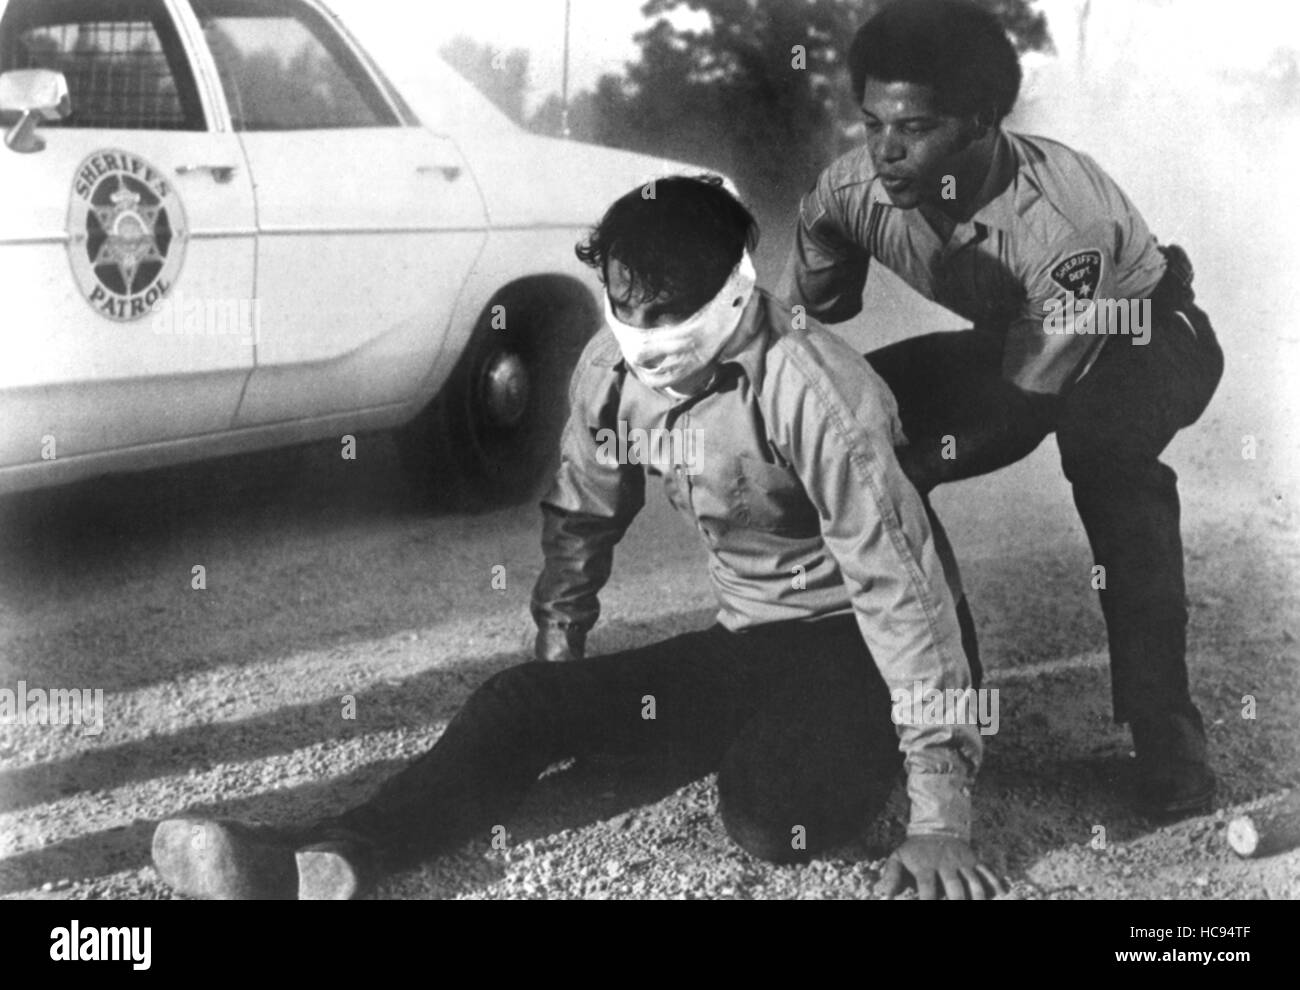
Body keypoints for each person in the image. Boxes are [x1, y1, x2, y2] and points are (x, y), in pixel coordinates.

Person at [151, 175, 1003, 901]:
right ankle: (328, 856)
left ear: (732, 292)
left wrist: (940, 814)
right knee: (517, 704)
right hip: (753, 640)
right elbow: (583, 515)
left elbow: (906, 592)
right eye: (625, 306)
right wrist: (564, 670)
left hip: (862, 639)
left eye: (667, 311)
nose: (642, 333)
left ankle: (874, 742)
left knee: (773, 814)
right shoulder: (613, 367)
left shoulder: (818, 393)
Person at [781, 0, 1224, 820]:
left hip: (1149, 332)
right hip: (1025, 337)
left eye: (914, 128)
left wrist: (911, 470)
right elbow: (803, 326)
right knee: (849, 428)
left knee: (1102, 451)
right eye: (871, 123)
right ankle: (943, 696)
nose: (886, 151)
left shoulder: (1062, 221)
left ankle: (1167, 732)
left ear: (985, 120)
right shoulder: (849, 188)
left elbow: (1024, 408)